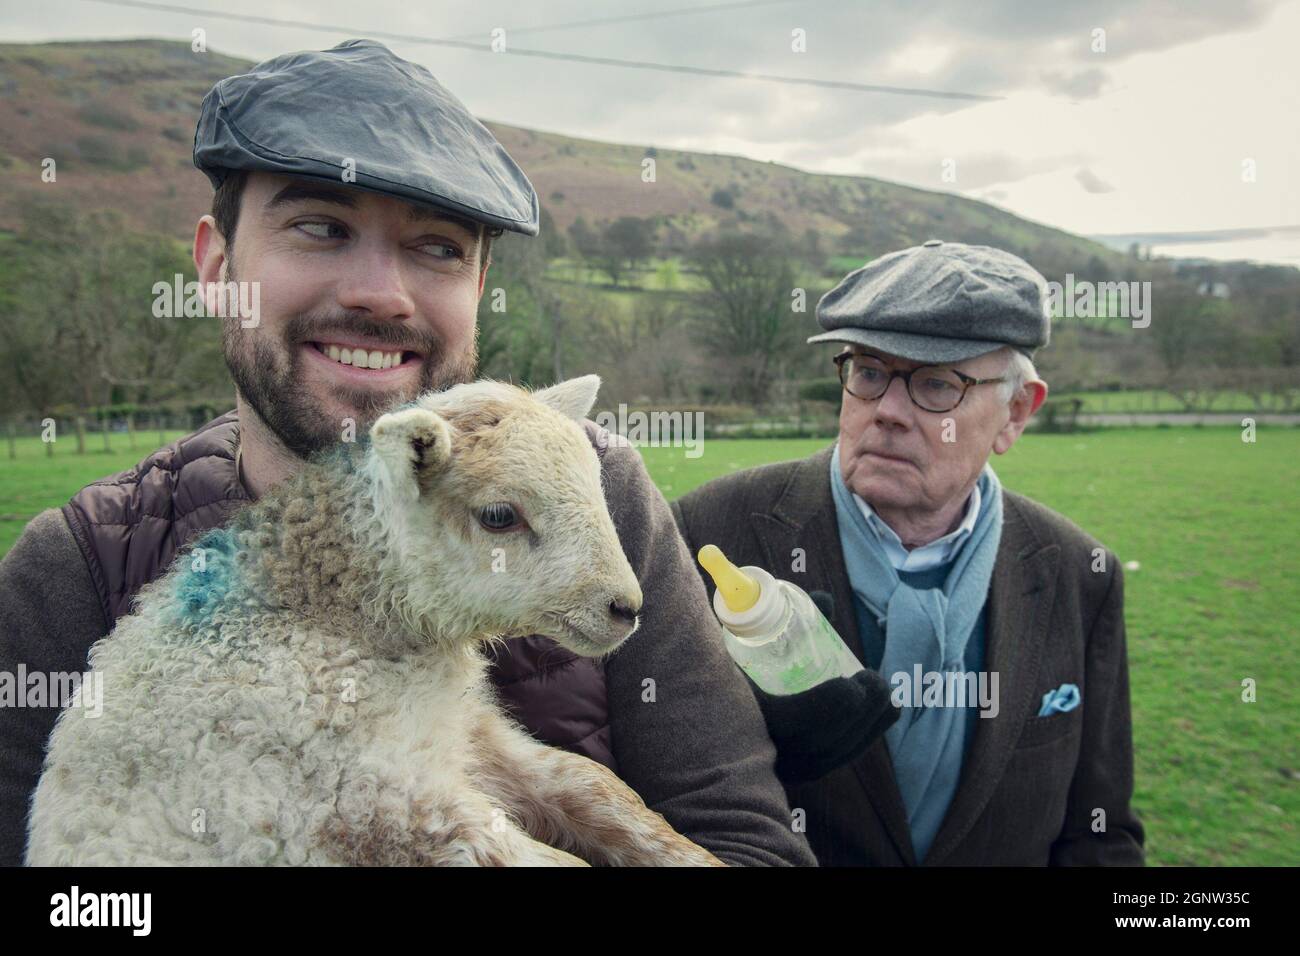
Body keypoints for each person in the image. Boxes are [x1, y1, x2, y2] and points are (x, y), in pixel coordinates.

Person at [0, 39, 815, 867]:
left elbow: (749, 845)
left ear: (479, 286)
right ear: (215, 266)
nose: (380, 294)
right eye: (320, 227)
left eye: (438, 248)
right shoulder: (80, 565)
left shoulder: (604, 494)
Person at [673, 240, 1145, 865]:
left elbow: (1099, 834)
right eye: (868, 373)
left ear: (1016, 413)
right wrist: (754, 743)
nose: (888, 411)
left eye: (936, 384)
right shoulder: (707, 534)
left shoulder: (1079, 574)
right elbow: (643, 798)